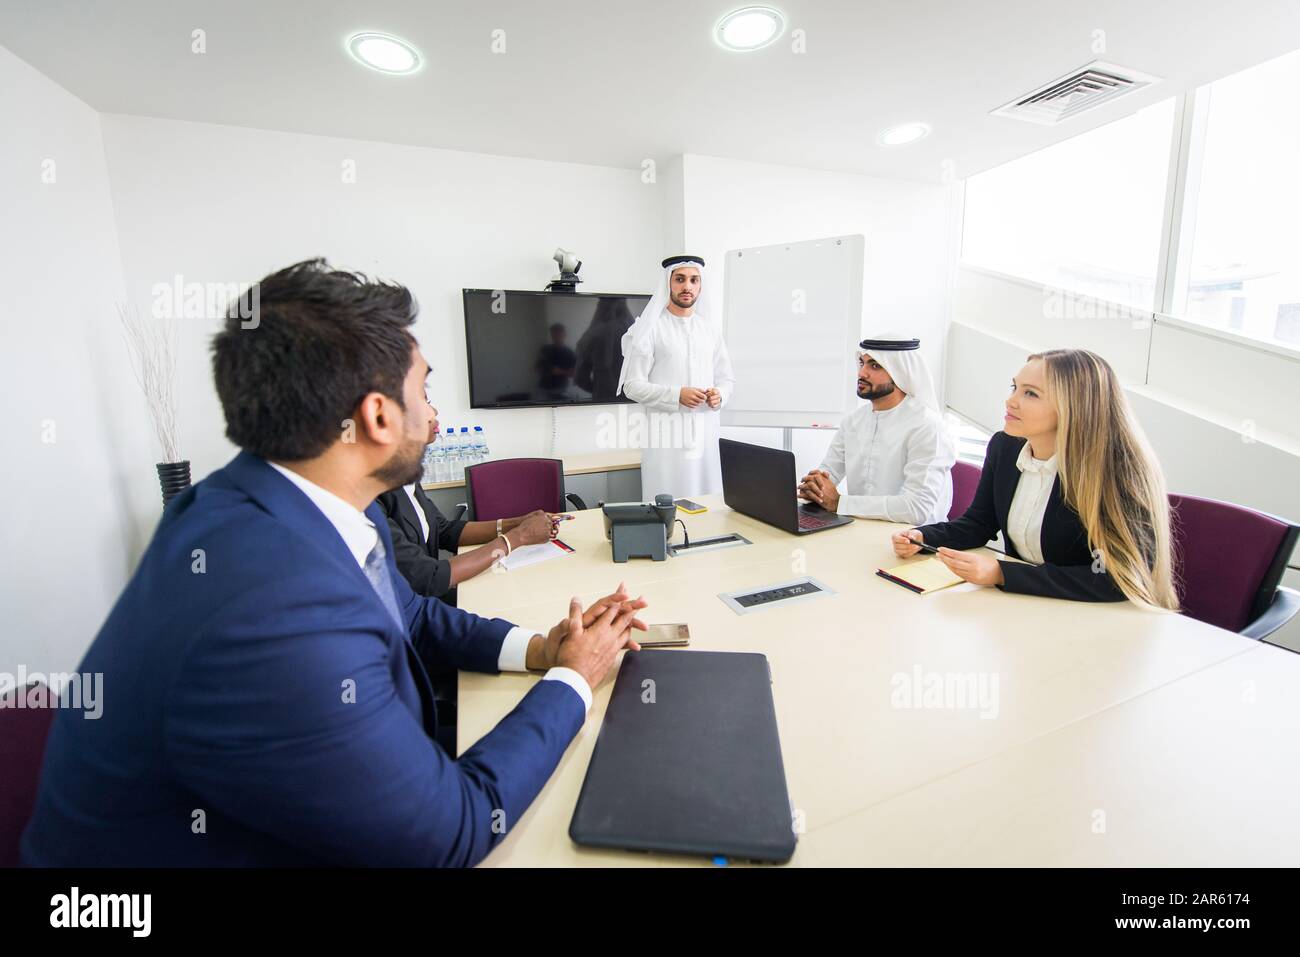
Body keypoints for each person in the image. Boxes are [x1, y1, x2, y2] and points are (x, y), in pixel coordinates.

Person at [22, 259, 646, 867]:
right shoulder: (272, 608)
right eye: (424, 390)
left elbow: (417, 616)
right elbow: (446, 834)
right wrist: (573, 681)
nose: (433, 415)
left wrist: (541, 649)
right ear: (377, 416)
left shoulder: (303, 498)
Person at [891, 349, 1178, 607]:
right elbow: (979, 523)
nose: (1010, 401)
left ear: (1073, 407)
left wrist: (1002, 573)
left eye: (1031, 393)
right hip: (1029, 607)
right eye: (1014, 388)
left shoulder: (1116, 471)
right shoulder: (1005, 446)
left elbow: (1116, 578)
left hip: (1097, 619)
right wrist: (923, 536)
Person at [378, 416, 559, 603]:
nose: (433, 411)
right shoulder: (372, 498)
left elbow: (443, 530)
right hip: (416, 611)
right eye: (422, 400)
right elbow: (428, 576)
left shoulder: (404, 475)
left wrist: (518, 523)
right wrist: (518, 537)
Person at [798, 335, 955, 525]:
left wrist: (840, 502)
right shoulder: (852, 422)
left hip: (916, 542)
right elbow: (828, 473)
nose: (861, 373)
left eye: (874, 366)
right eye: (861, 363)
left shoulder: (927, 427)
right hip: (861, 530)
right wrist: (813, 489)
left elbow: (916, 509)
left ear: (900, 373)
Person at [617, 255, 735, 499]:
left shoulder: (709, 330)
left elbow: (726, 379)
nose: (687, 287)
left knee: (710, 511)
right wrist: (676, 395)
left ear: (701, 285)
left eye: (694, 280)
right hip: (665, 445)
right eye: (680, 279)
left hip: (706, 442)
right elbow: (632, 386)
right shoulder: (649, 328)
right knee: (666, 514)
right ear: (668, 283)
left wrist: (719, 395)